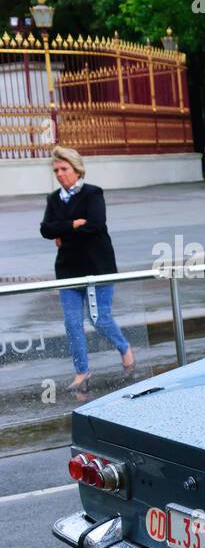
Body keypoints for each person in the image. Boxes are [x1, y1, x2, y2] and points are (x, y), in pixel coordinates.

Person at [39, 145, 133, 392]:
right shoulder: (53, 198)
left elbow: (96, 225)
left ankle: (124, 347)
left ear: (77, 169)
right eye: (56, 170)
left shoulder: (93, 193)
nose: (59, 174)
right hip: (68, 268)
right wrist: (71, 224)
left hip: (97, 265)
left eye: (64, 169)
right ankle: (82, 371)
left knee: (99, 318)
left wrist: (62, 232)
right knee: (72, 323)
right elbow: (45, 230)